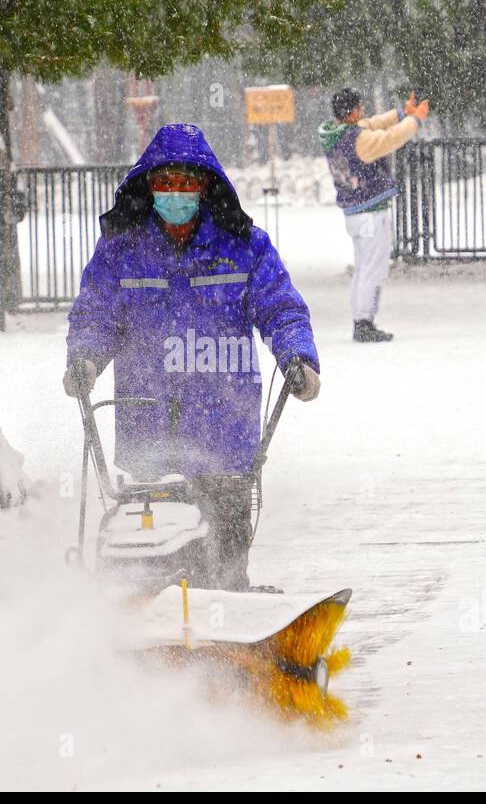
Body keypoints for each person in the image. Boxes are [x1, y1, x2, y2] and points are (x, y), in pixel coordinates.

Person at [63, 123, 320, 591]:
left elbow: (280, 306)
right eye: (165, 183)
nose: (175, 193)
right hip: (149, 427)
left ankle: (228, 621)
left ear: (205, 186)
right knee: (151, 550)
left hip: (224, 427)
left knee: (224, 556)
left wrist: (296, 357)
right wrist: (85, 359)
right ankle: (145, 628)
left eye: (186, 183)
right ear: (149, 186)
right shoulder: (121, 251)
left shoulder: (242, 246)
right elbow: (95, 313)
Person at [318, 88, 428, 341]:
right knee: (373, 269)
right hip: (369, 212)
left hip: (355, 213)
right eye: (360, 106)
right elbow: (390, 138)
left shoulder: (337, 134)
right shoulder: (359, 141)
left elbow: (373, 124)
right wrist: (415, 120)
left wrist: (401, 113)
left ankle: (361, 318)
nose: (364, 110)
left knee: (363, 268)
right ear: (353, 110)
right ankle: (364, 322)